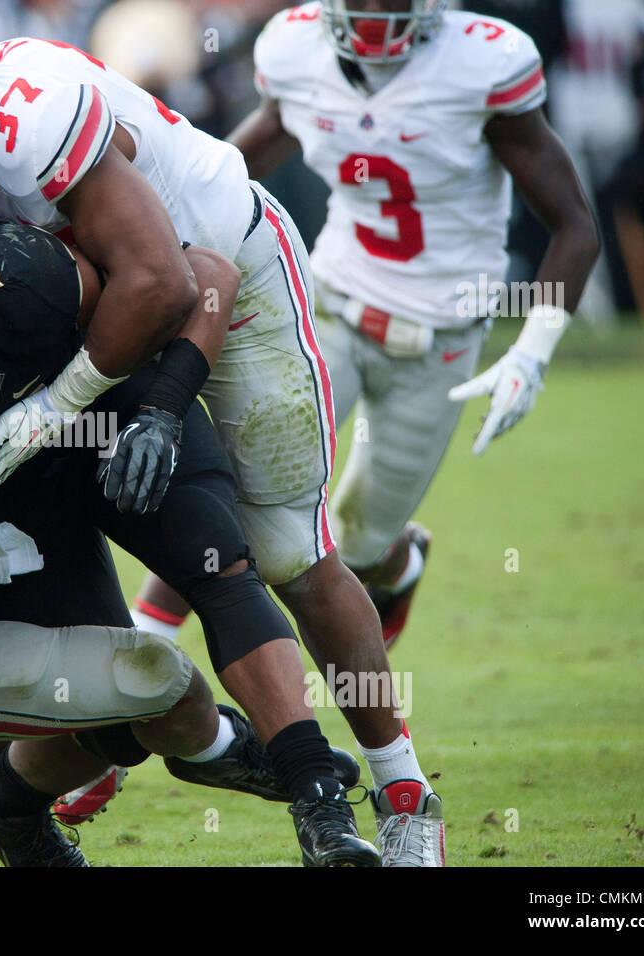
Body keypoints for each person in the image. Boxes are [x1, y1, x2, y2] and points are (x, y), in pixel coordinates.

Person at [0, 21, 437, 864]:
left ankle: (402, 788)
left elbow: (171, 280)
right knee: (86, 629)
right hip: (86, 308)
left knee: (290, 546)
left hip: (223, 278)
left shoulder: (28, 122)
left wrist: (81, 413)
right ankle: (54, 767)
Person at [0, 222, 375, 866]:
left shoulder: (11, 279)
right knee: (114, 710)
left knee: (218, 567)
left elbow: (211, 276)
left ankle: (321, 806)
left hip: (101, 422)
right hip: (3, 508)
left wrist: (163, 407)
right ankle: (7, 802)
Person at [223, 0, 598, 650]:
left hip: (439, 339)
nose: (373, 11)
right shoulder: (296, 50)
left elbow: (576, 225)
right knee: (238, 491)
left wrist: (532, 353)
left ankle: (398, 562)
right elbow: (225, 172)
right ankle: (147, 679)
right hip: (331, 307)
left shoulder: (482, 64)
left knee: (359, 546)